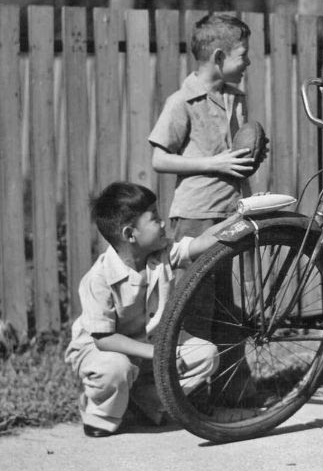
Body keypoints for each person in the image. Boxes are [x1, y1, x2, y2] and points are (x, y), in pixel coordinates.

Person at [149, 12, 262, 403]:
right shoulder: (182, 102)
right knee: (193, 304)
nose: (248, 62)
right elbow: (160, 159)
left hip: (231, 211)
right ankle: (190, 393)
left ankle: (234, 387)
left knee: (230, 305)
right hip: (196, 215)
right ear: (218, 56)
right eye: (243, 54)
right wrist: (213, 164)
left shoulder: (237, 97)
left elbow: (238, 151)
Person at [65, 181, 226, 437]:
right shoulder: (98, 279)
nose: (163, 224)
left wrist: (241, 215)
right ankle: (100, 414)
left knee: (205, 354)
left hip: (151, 345)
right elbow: (104, 339)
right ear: (130, 234)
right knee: (115, 369)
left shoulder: (163, 253)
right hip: (104, 351)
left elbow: (203, 242)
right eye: (155, 219)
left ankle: (148, 401)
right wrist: (160, 353)